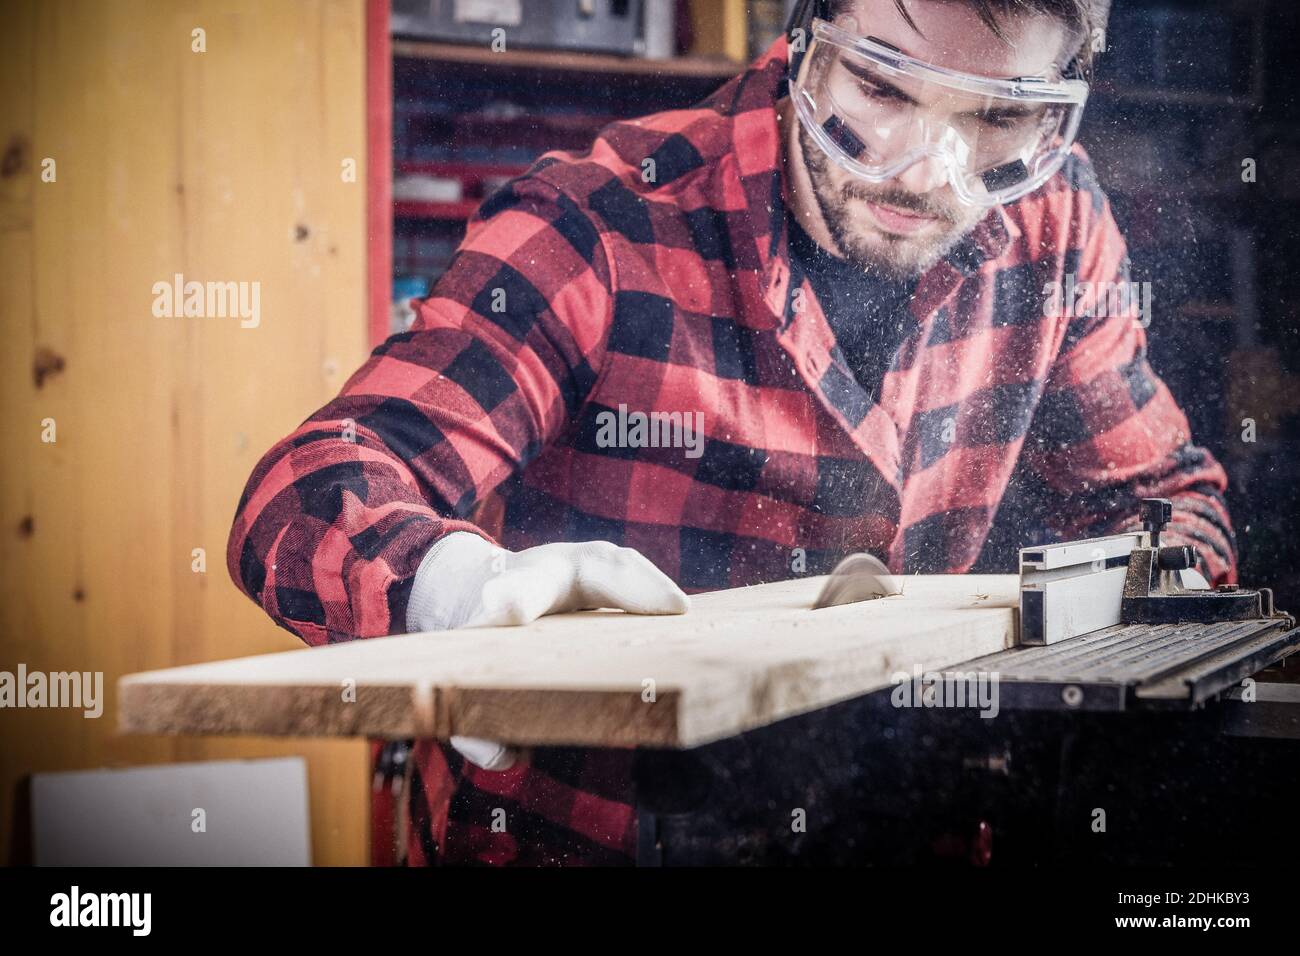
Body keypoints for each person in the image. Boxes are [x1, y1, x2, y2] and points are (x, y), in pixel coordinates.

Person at [227, 0, 1236, 865]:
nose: (926, 174)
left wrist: (1130, 603)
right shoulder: (602, 225)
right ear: (806, 41)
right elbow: (303, 490)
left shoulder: (1056, 224)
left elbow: (1164, 505)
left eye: (999, 115)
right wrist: (453, 591)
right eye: (881, 90)